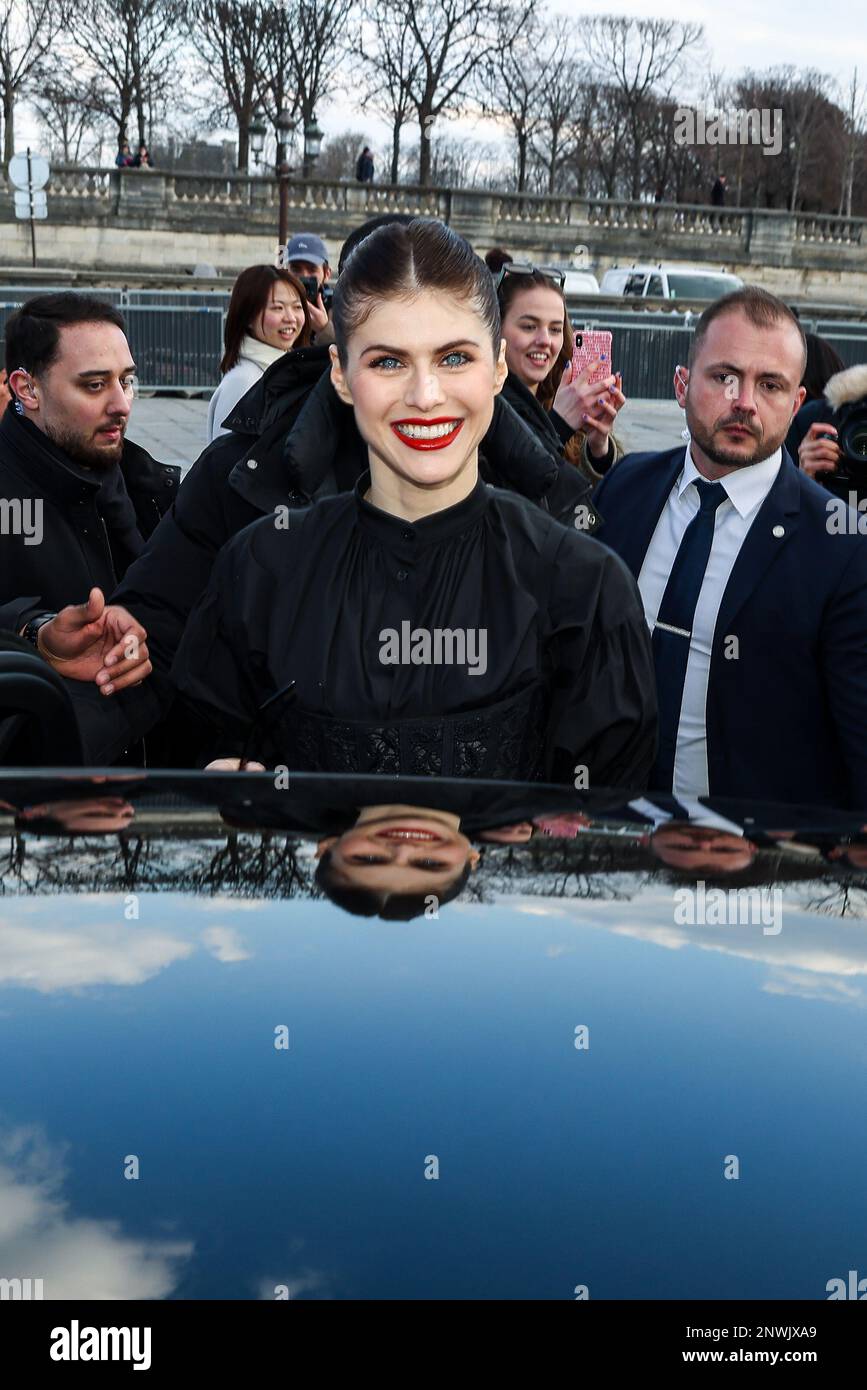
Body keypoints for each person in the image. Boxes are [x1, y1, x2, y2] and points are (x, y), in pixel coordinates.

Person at [93, 214, 601, 766]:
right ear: (340, 338)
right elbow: (167, 638)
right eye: (389, 355)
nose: (424, 394)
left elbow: (592, 720)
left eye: (451, 354)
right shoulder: (244, 474)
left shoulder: (549, 491)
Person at [592, 286, 867, 810]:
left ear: (796, 404)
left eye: (769, 385)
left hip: (753, 865)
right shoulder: (624, 488)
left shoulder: (843, 547)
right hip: (613, 842)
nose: (744, 402)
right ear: (682, 383)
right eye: (724, 377)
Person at [0, 294, 167, 699]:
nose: (121, 404)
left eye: (126, 380)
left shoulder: (148, 481)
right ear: (28, 389)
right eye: (94, 385)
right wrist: (34, 632)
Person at [496, 263, 624, 482]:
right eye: (529, 326)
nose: (545, 341)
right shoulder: (484, 407)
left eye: (555, 329)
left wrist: (598, 448)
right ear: (496, 329)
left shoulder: (569, 397)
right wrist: (559, 424)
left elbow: (593, 502)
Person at [206, 265, 311, 443]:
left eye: (297, 307)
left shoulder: (285, 370)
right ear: (248, 316)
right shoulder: (244, 381)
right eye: (278, 308)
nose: (291, 317)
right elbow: (227, 462)